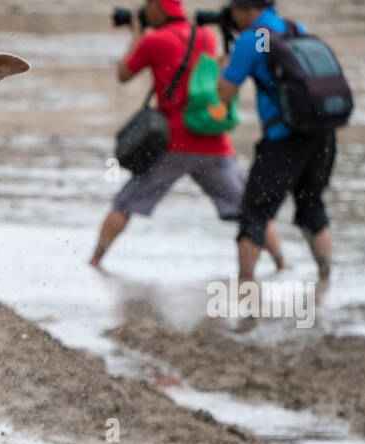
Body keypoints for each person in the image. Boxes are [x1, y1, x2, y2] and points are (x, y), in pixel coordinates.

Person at [91, 0, 284, 268]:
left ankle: (95, 261)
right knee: (252, 211)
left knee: (124, 203)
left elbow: (124, 74)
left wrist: (137, 31)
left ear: (158, 7)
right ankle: (282, 264)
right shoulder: (205, 35)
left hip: (172, 143)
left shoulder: (154, 40)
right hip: (214, 144)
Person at [217, 0, 334, 287]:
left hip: (284, 140)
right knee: (311, 206)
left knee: (254, 212)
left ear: (244, 9)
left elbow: (225, 94)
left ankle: (245, 287)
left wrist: (225, 64)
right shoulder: (295, 29)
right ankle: (326, 281)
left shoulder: (252, 39)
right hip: (323, 134)